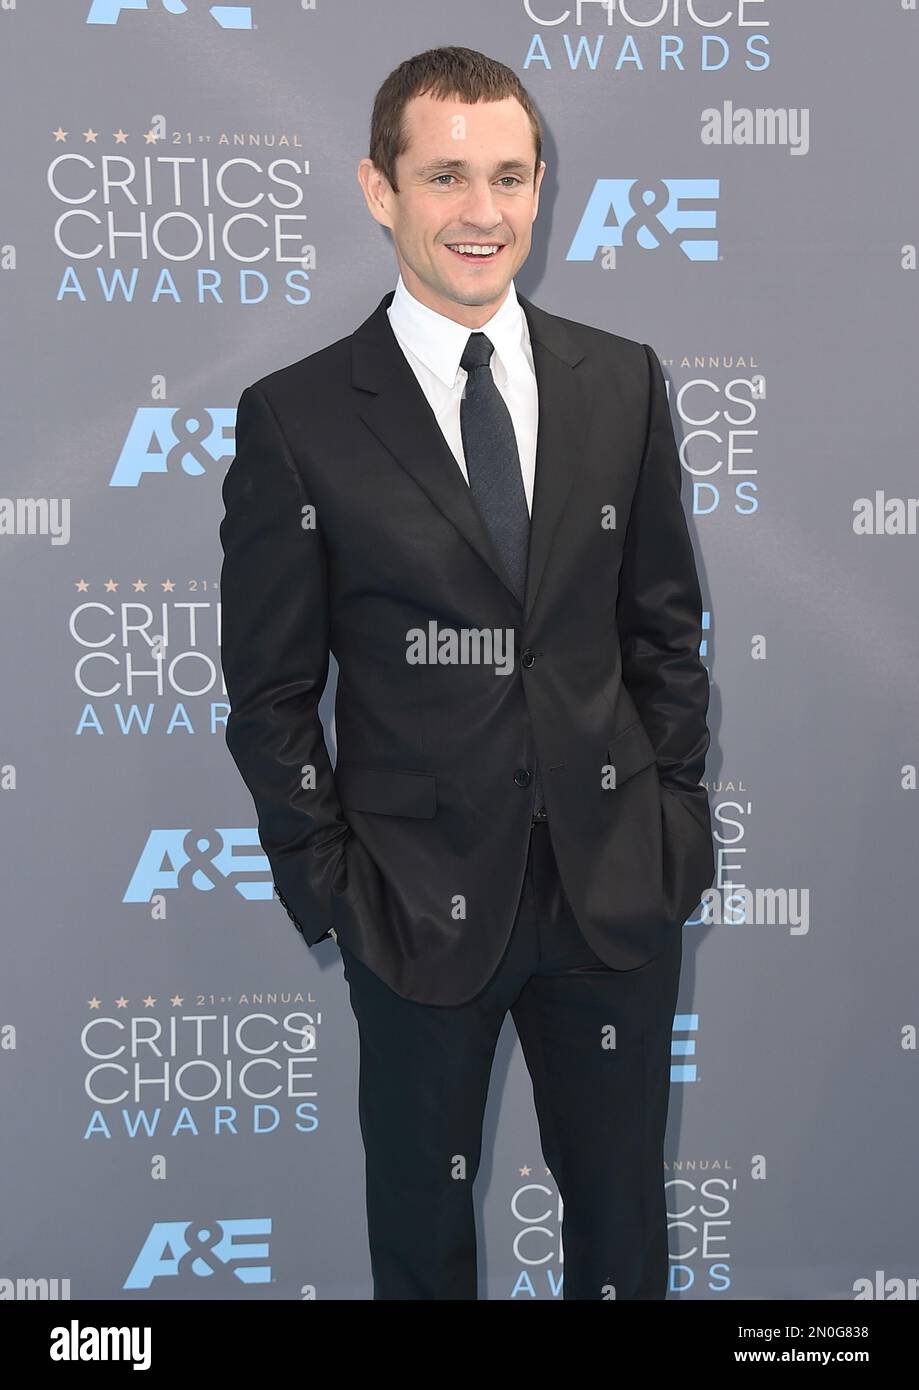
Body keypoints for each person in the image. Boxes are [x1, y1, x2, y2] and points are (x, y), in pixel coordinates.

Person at [219, 45, 715, 1300]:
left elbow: (663, 633)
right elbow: (271, 693)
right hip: (413, 907)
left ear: (541, 188)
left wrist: (670, 830)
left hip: (610, 898)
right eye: (445, 176)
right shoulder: (300, 417)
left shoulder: (623, 380)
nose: (481, 212)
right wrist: (335, 890)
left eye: (508, 175)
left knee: (621, 1240)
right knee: (424, 1252)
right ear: (379, 190)